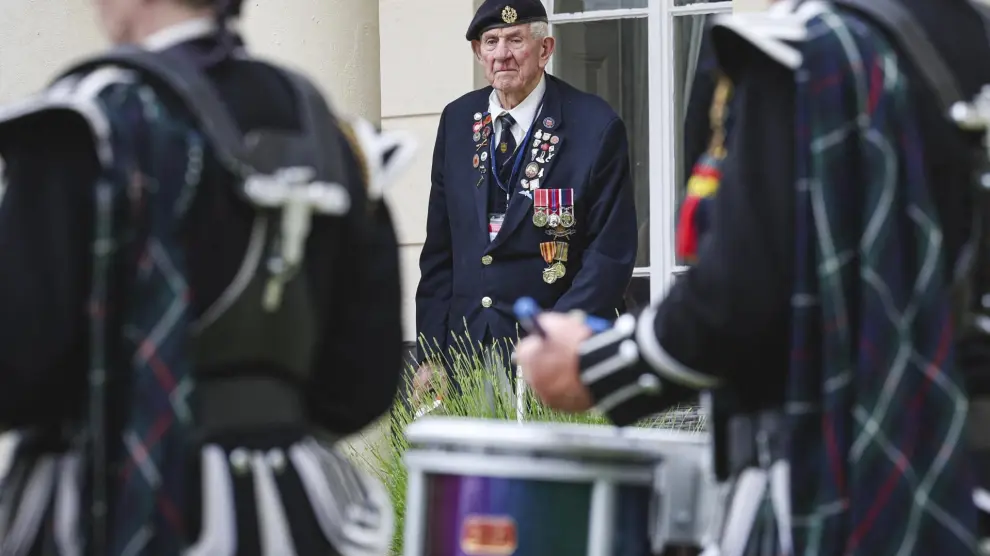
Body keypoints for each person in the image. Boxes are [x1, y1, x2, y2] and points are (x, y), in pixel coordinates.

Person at [517, 0, 990, 553]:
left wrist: (597, 365)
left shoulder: (799, 52)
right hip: (966, 486)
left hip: (833, 491)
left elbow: (738, 295)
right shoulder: (973, 36)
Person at [0, 0, 407, 553]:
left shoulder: (80, 127)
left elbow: (19, 371)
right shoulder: (326, 132)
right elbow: (361, 387)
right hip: (288, 520)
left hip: (111, 512)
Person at [414, 0, 638, 389]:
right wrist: (432, 352)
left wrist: (554, 339)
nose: (502, 55)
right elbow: (440, 250)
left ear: (545, 50)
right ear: (477, 52)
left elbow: (609, 254)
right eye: (491, 42)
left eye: (515, 40)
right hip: (465, 355)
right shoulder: (456, 120)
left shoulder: (594, 126)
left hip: (556, 357)